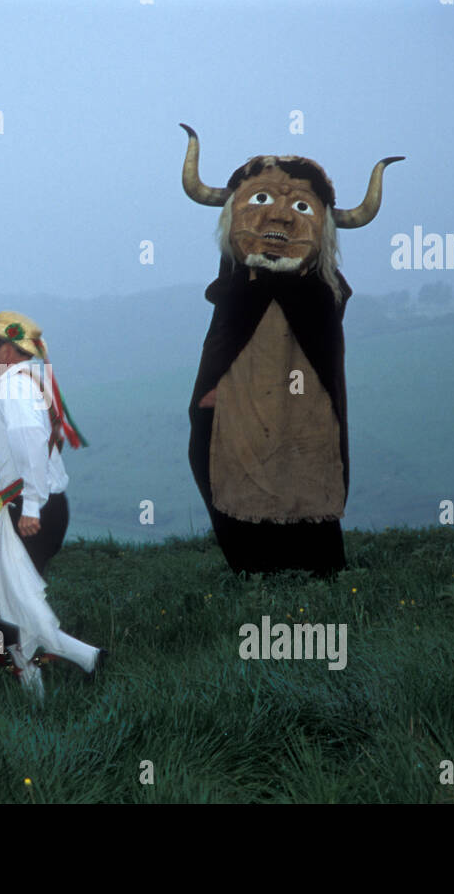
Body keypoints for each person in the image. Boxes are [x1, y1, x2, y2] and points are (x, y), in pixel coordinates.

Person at [180, 126, 400, 576]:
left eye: (301, 206)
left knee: (306, 465)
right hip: (240, 407)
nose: (278, 218)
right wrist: (210, 397)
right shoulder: (237, 290)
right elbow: (221, 346)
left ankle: (316, 566)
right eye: (260, 200)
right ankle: (250, 564)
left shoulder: (320, 294)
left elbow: (323, 342)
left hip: (304, 412)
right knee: (225, 462)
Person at [0, 312, 99, 698]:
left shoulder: (15, 389)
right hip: (36, 506)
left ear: (9, 348)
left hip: (27, 512)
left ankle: (87, 658)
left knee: (4, 606)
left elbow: (30, 449)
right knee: (9, 604)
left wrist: (29, 508)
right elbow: (13, 445)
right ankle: (38, 695)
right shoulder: (31, 382)